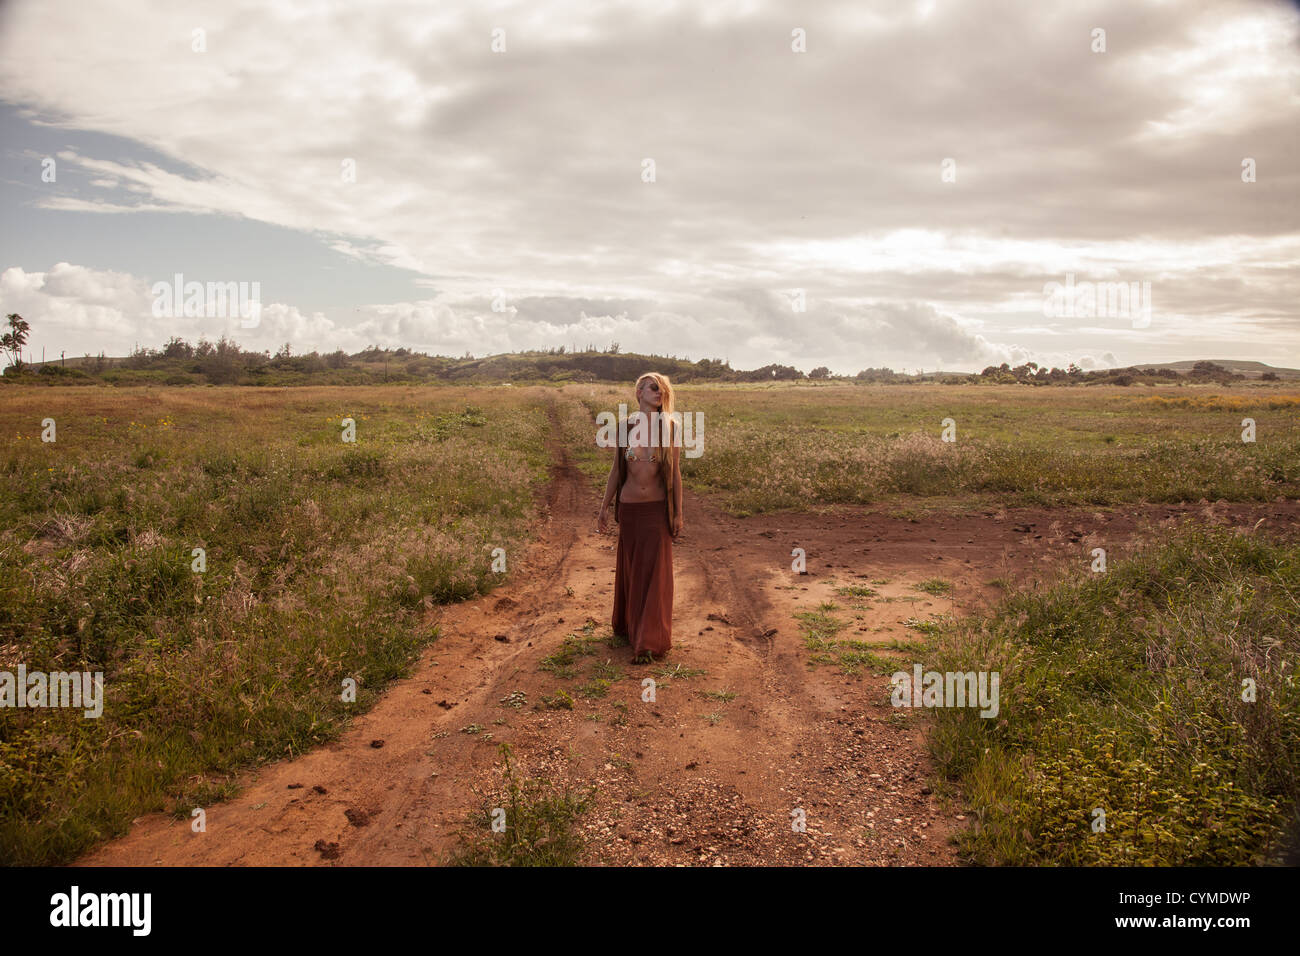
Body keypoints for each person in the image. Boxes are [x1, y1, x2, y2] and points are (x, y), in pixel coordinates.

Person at [595, 372, 682, 662]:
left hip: (657, 510)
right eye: (653, 388)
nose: (659, 393)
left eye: (662, 389)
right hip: (630, 509)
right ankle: (632, 628)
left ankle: (648, 640)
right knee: (633, 569)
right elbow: (617, 471)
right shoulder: (624, 426)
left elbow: (676, 474)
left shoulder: (670, 427)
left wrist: (678, 513)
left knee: (656, 574)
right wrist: (604, 506)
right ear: (639, 392)